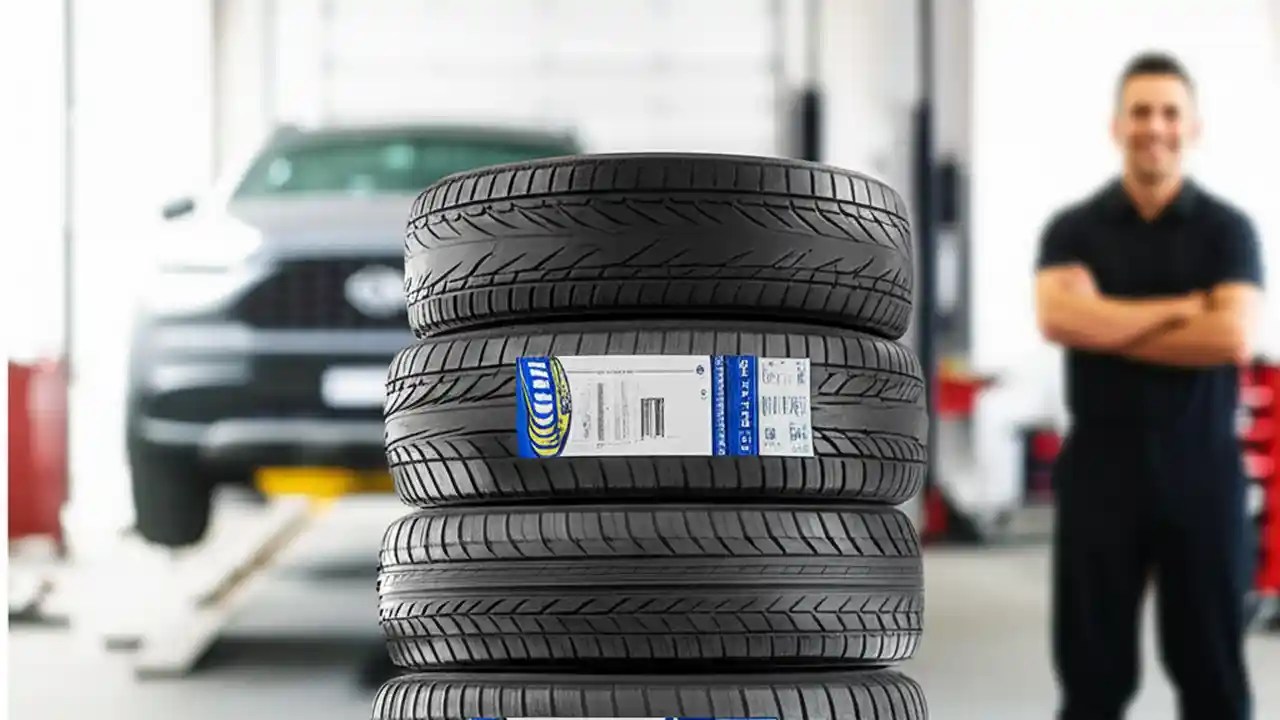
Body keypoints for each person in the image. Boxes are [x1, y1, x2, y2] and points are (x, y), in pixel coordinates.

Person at [1034, 52, 1265, 719]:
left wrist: (1104, 319)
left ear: (1194, 127)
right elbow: (1057, 317)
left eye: (1170, 113)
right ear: (1117, 125)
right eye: (1141, 111)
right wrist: (1184, 307)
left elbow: (1231, 339)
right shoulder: (1072, 230)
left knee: (1215, 684)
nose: (1154, 126)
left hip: (1204, 477)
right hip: (1101, 477)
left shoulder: (1228, 231)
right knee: (1091, 686)